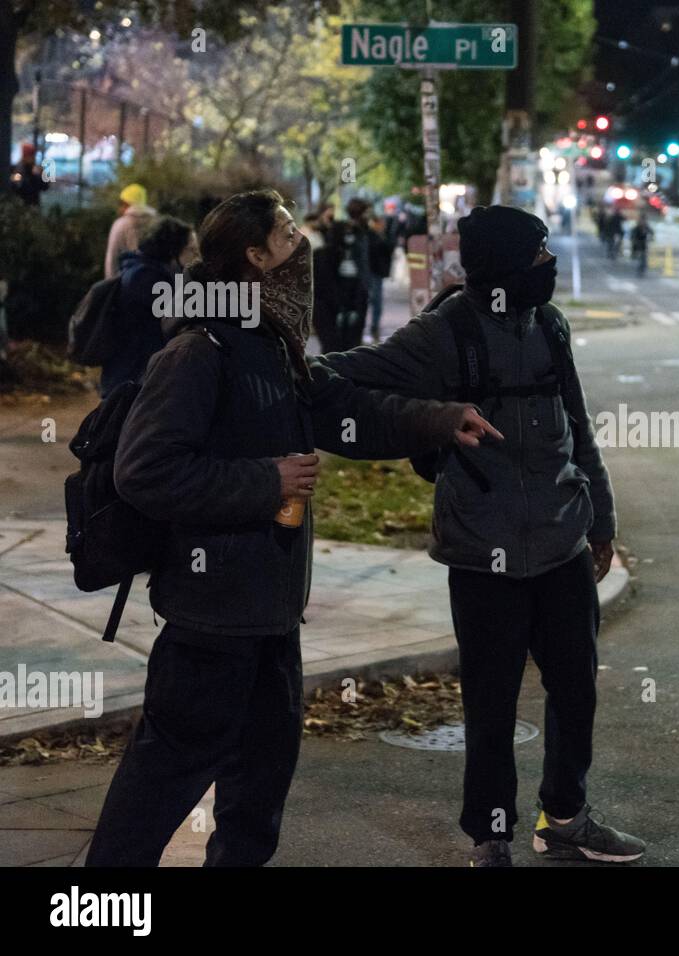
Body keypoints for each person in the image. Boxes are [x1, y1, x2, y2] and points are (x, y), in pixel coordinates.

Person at [86, 189, 500, 867]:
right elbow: (145, 471)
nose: (300, 244)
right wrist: (266, 483)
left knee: (258, 794)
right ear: (254, 259)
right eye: (285, 236)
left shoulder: (272, 347)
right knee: (159, 789)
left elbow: (347, 408)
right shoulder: (200, 351)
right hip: (209, 622)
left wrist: (437, 419)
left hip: (272, 619)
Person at [316, 205, 644, 868]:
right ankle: (490, 836)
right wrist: (431, 418)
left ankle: (565, 816)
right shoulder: (444, 333)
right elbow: (328, 376)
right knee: (491, 705)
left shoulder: (548, 325)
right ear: (500, 265)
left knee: (576, 689)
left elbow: (578, 426)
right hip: (481, 551)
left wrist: (601, 521)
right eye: (538, 255)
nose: (548, 266)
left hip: (562, 543)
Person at [99, 215, 198, 396]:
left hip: (127, 379)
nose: (196, 256)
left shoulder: (140, 272)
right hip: (132, 384)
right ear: (172, 251)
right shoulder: (148, 280)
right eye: (191, 250)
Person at [320, 197, 371, 351]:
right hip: (345, 287)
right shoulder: (346, 232)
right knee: (345, 331)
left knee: (350, 330)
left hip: (353, 286)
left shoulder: (359, 231)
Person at [105, 184, 157, 278]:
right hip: (153, 282)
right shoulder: (156, 224)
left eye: (121, 203)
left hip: (125, 282)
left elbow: (112, 258)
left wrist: (111, 285)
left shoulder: (120, 224)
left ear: (126, 203)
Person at [367, 214, 395, 342]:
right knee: (375, 301)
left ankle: (375, 326)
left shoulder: (379, 235)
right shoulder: (372, 236)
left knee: (376, 302)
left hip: (376, 272)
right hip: (373, 271)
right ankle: (374, 326)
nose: (383, 226)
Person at [630, 211, 654, 277]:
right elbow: (633, 235)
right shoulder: (637, 227)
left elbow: (651, 232)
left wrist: (651, 238)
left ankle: (642, 270)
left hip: (643, 245)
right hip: (638, 245)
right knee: (640, 259)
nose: (643, 222)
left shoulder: (646, 227)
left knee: (644, 259)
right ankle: (639, 271)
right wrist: (634, 241)